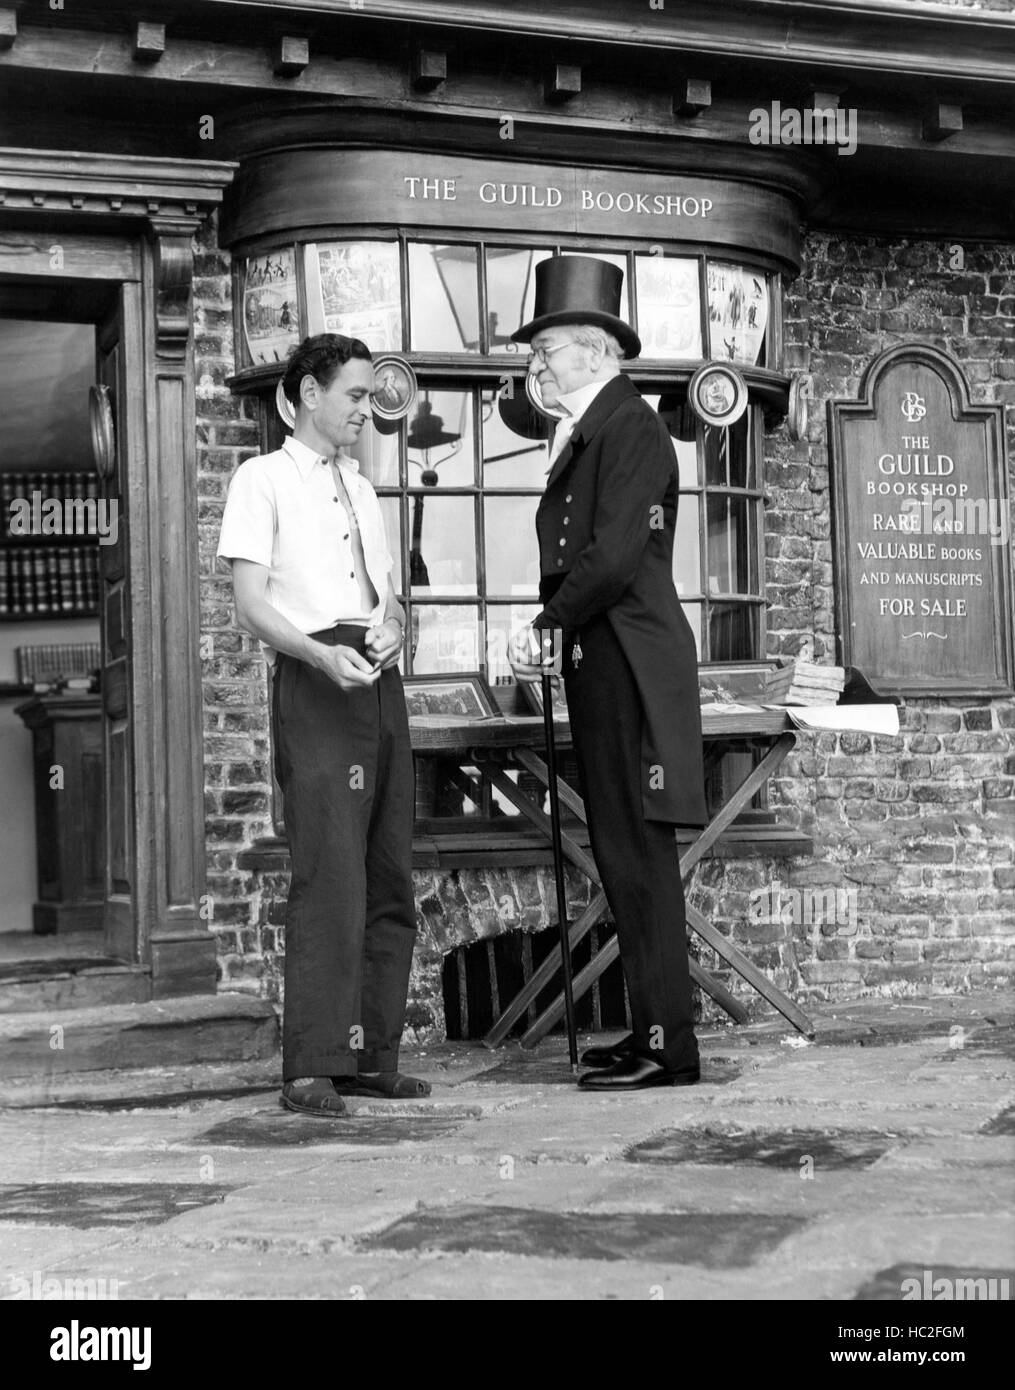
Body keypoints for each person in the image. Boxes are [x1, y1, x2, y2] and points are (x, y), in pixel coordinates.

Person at [508, 255, 708, 1091]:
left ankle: (669, 1045)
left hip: (626, 660)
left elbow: (616, 555)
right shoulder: (594, 427)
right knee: (621, 853)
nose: (537, 366)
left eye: (546, 351)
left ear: (591, 351)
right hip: (603, 659)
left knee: (639, 854)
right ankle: (647, 1029)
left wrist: (548, 619)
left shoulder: (629, 427)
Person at [217, 333, 428, 1116]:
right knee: (329, 871)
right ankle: (311, 1062)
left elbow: (388, 597)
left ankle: (372, 1056)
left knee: (388, 870)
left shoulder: (365, 491)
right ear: (308, 393)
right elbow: (250, 605)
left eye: (372, 397)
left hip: (378, 681)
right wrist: (316, 654)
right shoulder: (260, 478)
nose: (366, 411)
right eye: (353, 396)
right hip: (315, 681)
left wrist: (394, 626)